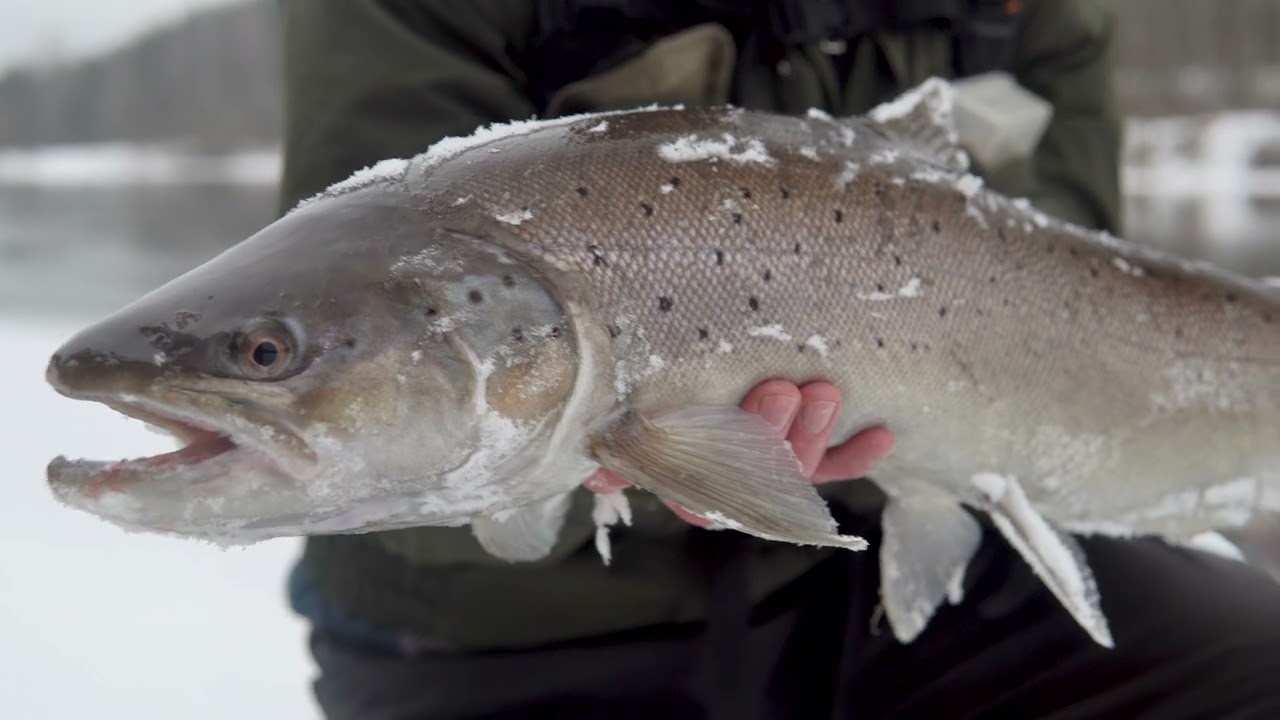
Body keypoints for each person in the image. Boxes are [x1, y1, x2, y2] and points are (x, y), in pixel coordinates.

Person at [277, 1, 1280, 718]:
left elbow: (1075, 319)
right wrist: (636, 450)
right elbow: (360, 366)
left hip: (870, 580)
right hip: (507, 637)